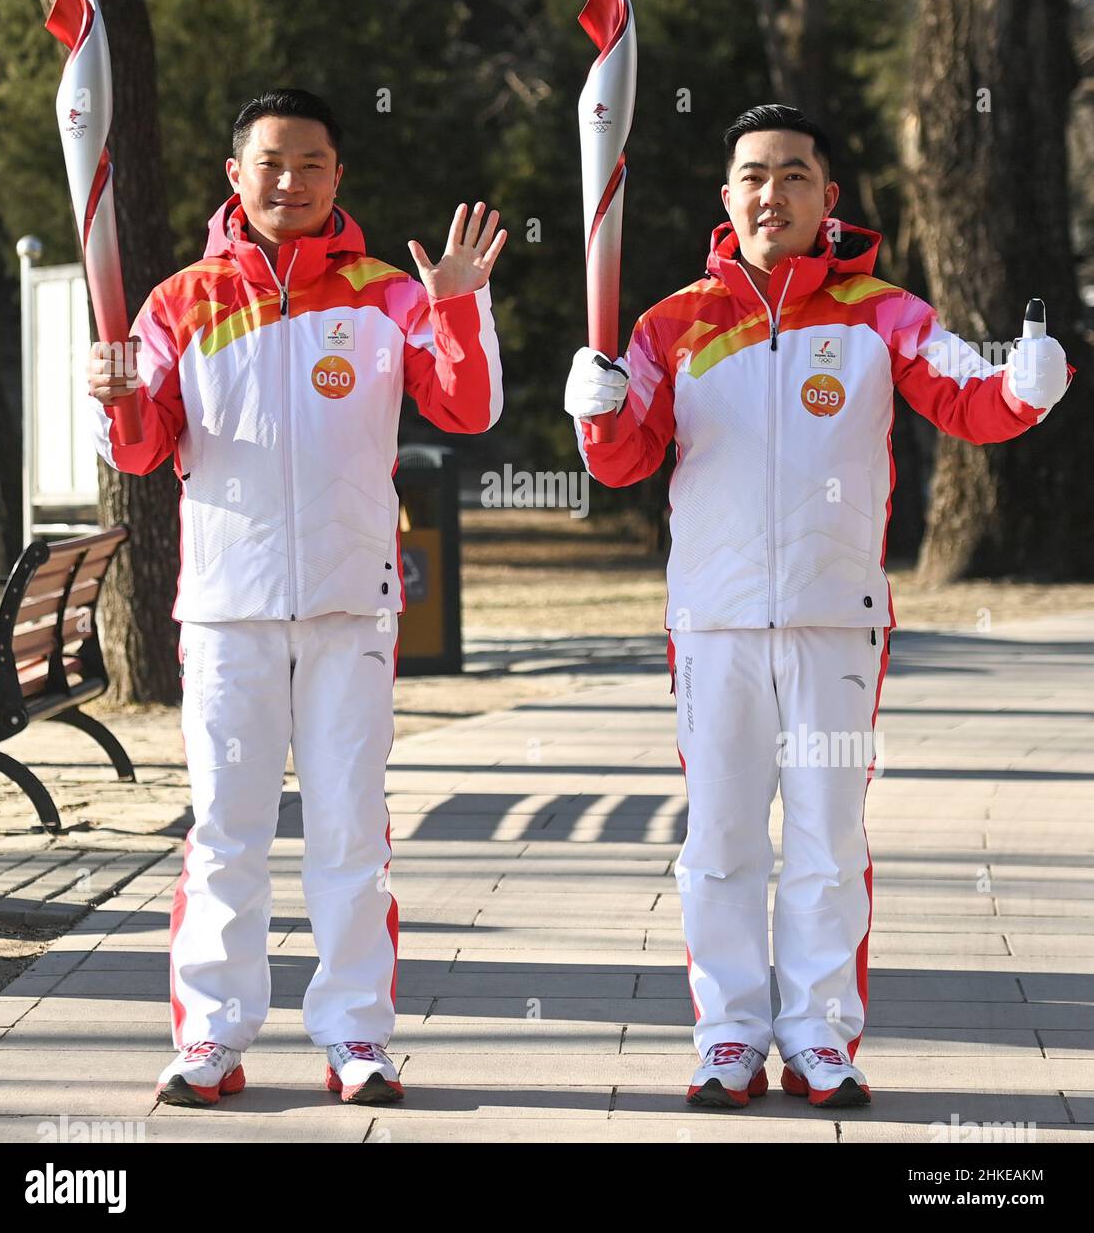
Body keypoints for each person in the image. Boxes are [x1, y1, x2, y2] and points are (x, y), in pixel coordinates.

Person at [564, 103, 1074, 1111]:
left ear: (827, 198)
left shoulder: (884, 314)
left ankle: (820, 1035)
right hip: (713, 625)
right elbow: (626, 461)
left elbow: (967, 396)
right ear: (727, 198)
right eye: (754, 175)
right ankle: (728, 1036)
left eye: (794, 176)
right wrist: (597, 411)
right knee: (719, 841)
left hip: (837, 621)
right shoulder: (672, 323)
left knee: (829, 837)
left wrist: (1028, 387)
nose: (773, 193)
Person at [87, 88, 505, 1107]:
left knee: (350, 829)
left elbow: (470, 403)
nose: (291, 180)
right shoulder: (180, 300)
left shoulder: (388, 294)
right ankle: (213, 1039)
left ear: (337, 177)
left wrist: (456, 301)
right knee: (227, 827)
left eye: (311, 163)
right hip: (227, 607)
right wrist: (118, 397)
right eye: (270, 163)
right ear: (237, 177)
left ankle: (356, 1036)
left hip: (348, 606)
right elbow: (143, 451)